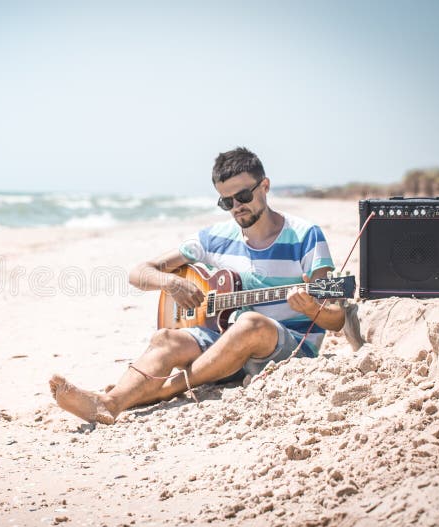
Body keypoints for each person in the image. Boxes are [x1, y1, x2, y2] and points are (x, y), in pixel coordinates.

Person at [49, 147, 346, 425]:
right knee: (166, 338)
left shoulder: (305, 235)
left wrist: (312, 308)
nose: (236, 207)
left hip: (290, 349)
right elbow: (140, 272)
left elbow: (336, 317)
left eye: (243, 196)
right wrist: (170, 282)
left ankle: (162, 390)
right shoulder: (215, 238)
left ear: (265, 186)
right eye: (226, 202)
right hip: (226, 352)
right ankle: (109, 403)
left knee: (251, 323)